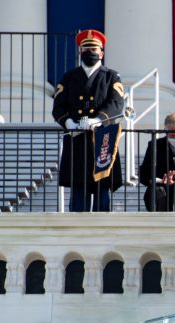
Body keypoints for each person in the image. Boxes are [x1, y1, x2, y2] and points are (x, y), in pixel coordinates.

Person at [51, 29, 125, 212]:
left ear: (101, 53)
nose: (90, 52)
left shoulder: (111, 77)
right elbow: (58, 106)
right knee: (78, 187)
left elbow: (116, 103)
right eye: (86, 49)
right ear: (80, 52)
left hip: (102, 137)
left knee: (102, 186)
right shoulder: (69, 78)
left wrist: (98, 120)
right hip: (77, 137)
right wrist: (69, 123)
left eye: (94, 49)